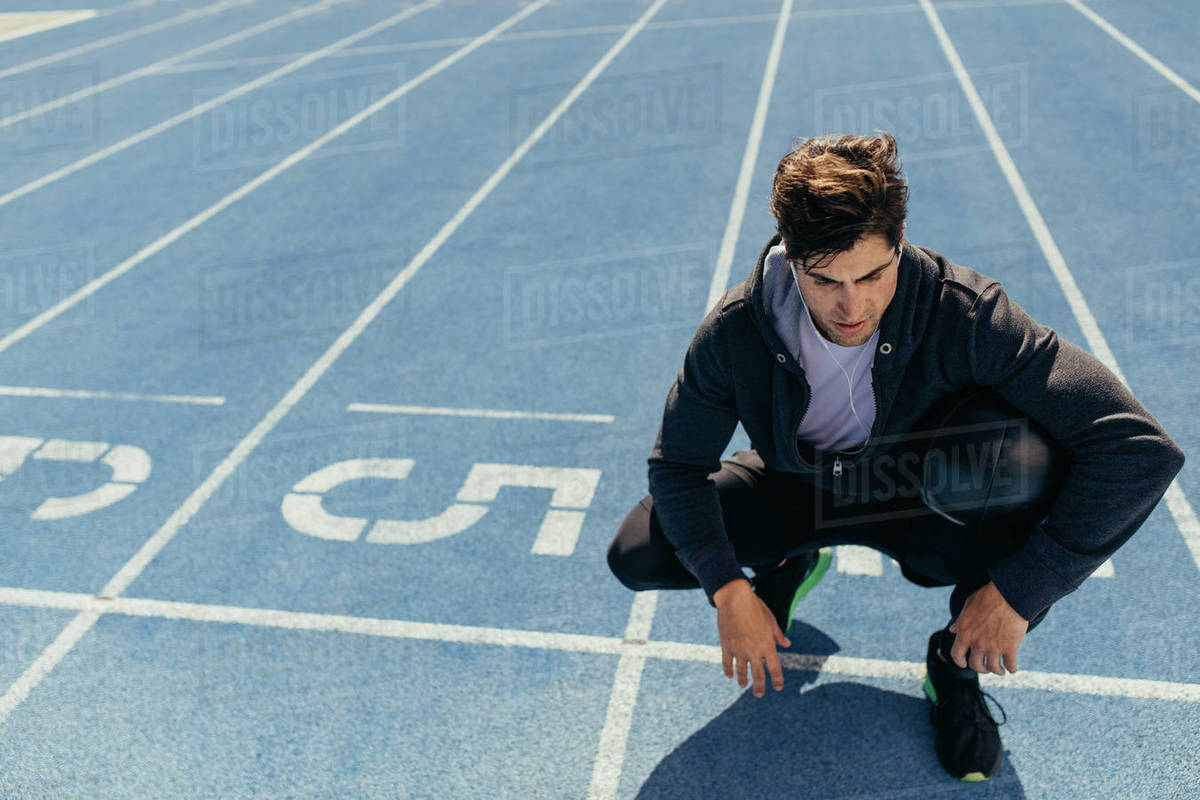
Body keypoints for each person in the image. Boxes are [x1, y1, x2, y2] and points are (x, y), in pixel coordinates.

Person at [606, 131, 1185, 782]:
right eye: (825, 281)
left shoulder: (964, 313)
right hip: (803, 486)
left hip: (924, 500)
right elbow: (677, 466)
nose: (852, 305)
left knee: (1033, 472)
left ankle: (954, 668)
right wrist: (726, 587)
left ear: (900, 240)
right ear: (791, 257)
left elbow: (1137, 447)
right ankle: (784, 561)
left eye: (873, 275)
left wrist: (1021, 593)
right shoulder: (738, 329)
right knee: (639, 548)